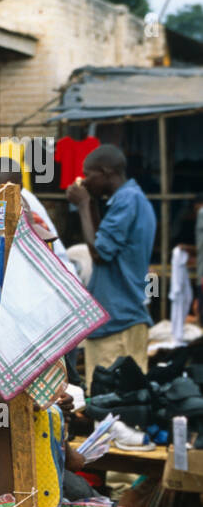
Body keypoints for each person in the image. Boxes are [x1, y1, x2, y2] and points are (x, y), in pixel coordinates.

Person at [65, 144, 156, 384]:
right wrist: (92, 203)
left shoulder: (127, 201)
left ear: (105, 172)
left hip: (118, 321)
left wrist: (83, 206)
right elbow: (103, 240)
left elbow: (100, 252)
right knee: (131, 401)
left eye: (89, 174)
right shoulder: (132, 199)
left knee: (109, 402)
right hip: (125, 316)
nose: (85, 180)